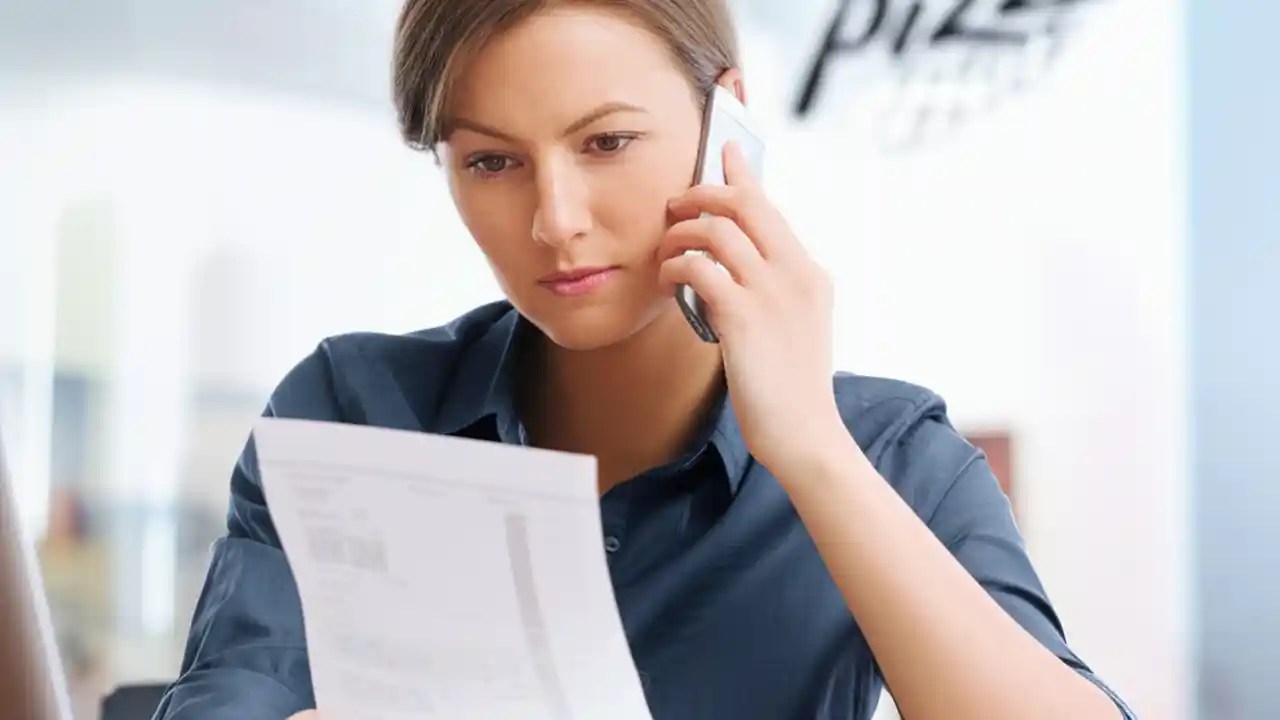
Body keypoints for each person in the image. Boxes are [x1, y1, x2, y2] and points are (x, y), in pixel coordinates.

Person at [155, 1, 1134, 718]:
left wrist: (807, 448)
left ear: (726, 123)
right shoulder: (351, 409)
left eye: (608, 142)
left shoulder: (885, 452)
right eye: (490, 162)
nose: (555, 220)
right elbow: (225, 697)